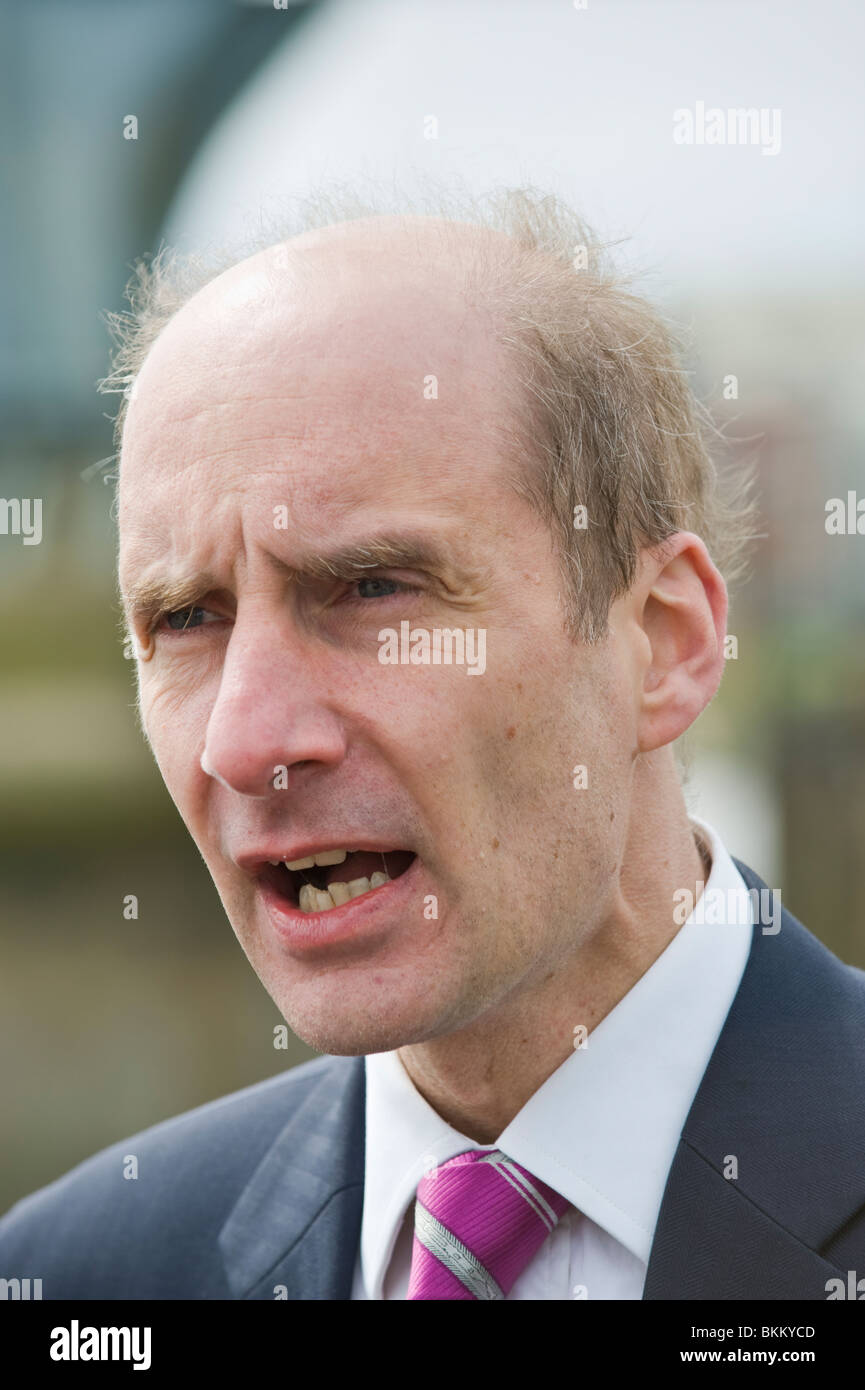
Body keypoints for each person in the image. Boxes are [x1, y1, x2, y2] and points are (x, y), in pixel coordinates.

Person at [1, 190, 863, 1301]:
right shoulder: (79, 1277)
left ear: (660, 641)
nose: (246, 737)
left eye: (369, 589)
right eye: (185, 619)